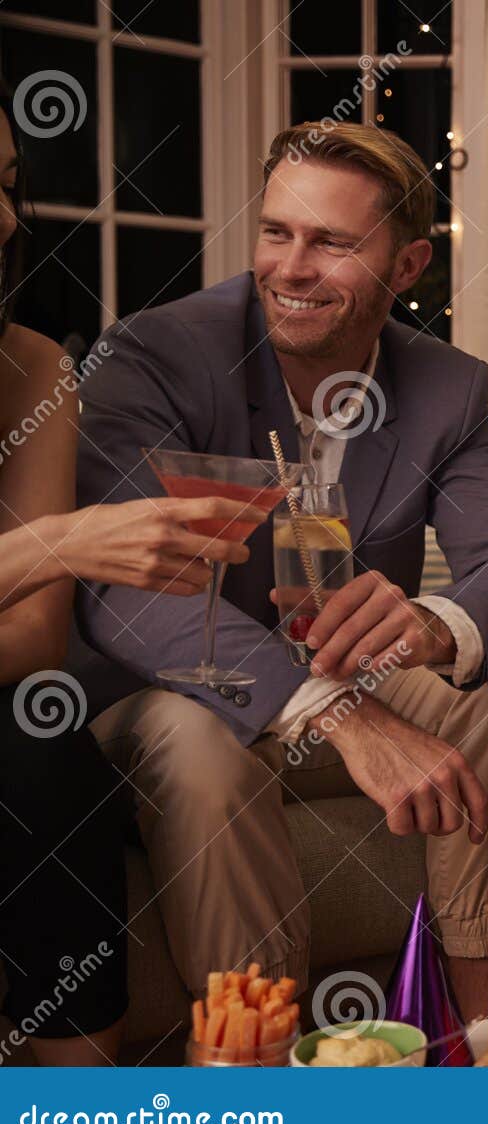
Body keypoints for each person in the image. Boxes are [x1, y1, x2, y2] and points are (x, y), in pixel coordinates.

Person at [72, 122, 488, 1019]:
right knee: (199, 744)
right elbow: (123, 594)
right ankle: (259, 1061)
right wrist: (342, 712)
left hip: (340, 665)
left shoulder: (448, 387)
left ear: (407, 266)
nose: (291, 268)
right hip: (176, 689)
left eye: (332, 243)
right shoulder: (156, 355)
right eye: (276, 232)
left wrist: (431, 624)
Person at [0, 94, 269, 1063]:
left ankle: (83, 1105)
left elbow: (30, 640)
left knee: (44, 738)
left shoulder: (30, 368)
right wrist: (57, 541)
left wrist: (50, 550)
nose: (6, 219)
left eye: (10, 185)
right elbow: (44, 571)